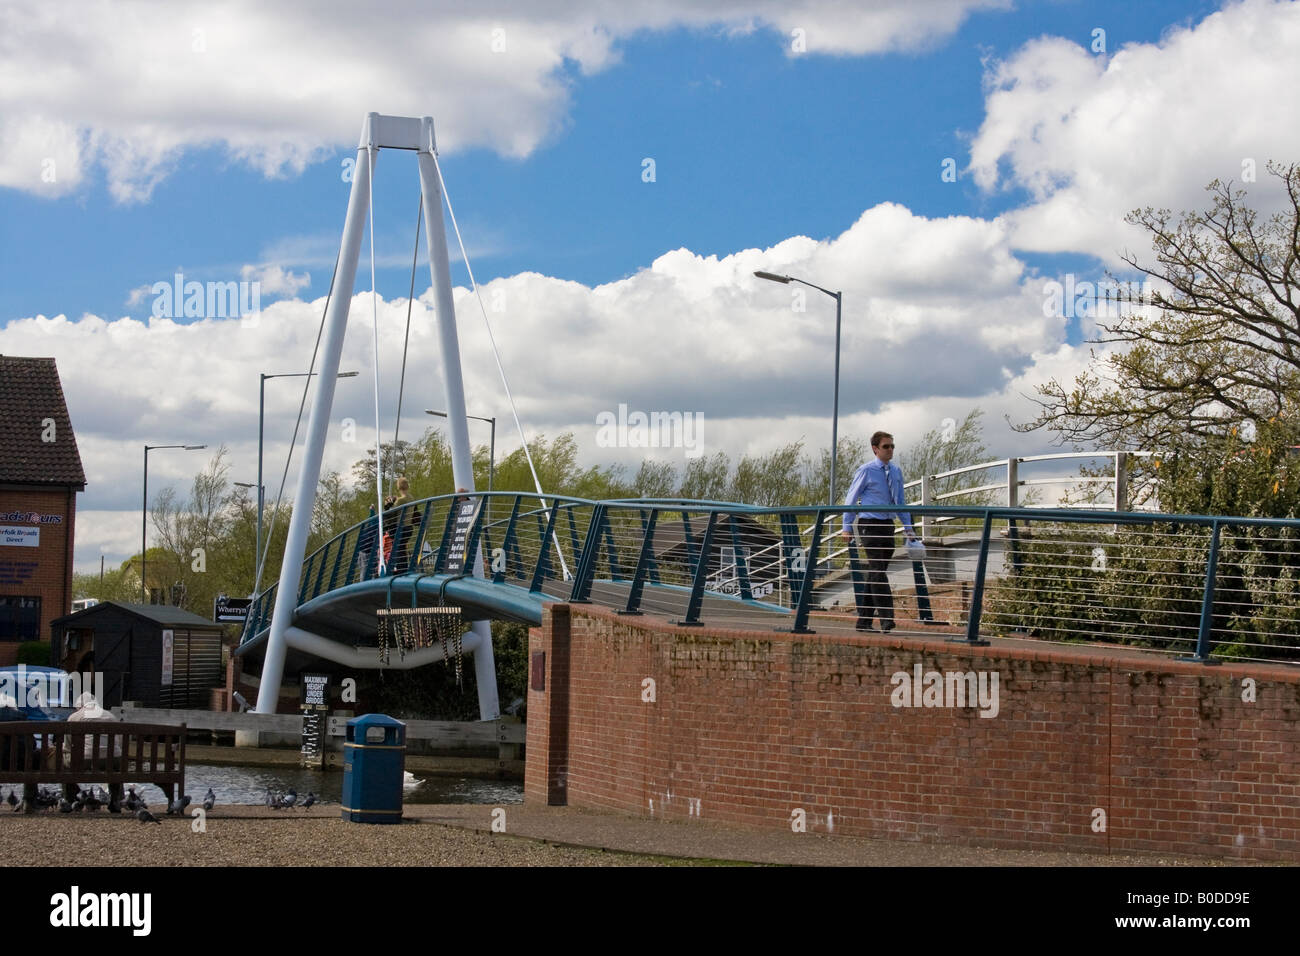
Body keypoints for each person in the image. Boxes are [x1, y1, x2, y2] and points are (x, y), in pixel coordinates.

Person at [841, 431, 917, 632]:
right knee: (876, 568)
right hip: (869, 523)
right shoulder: (866, 470)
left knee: (878, 571)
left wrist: (908, 527)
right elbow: (851, 498)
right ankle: (886, 618)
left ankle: (864, 621)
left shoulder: (895, 471)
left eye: (892, 446)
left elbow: (900, 501)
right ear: (875, 449)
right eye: (886, 446)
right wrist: (846, 526)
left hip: (887, 524)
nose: (890, 450)